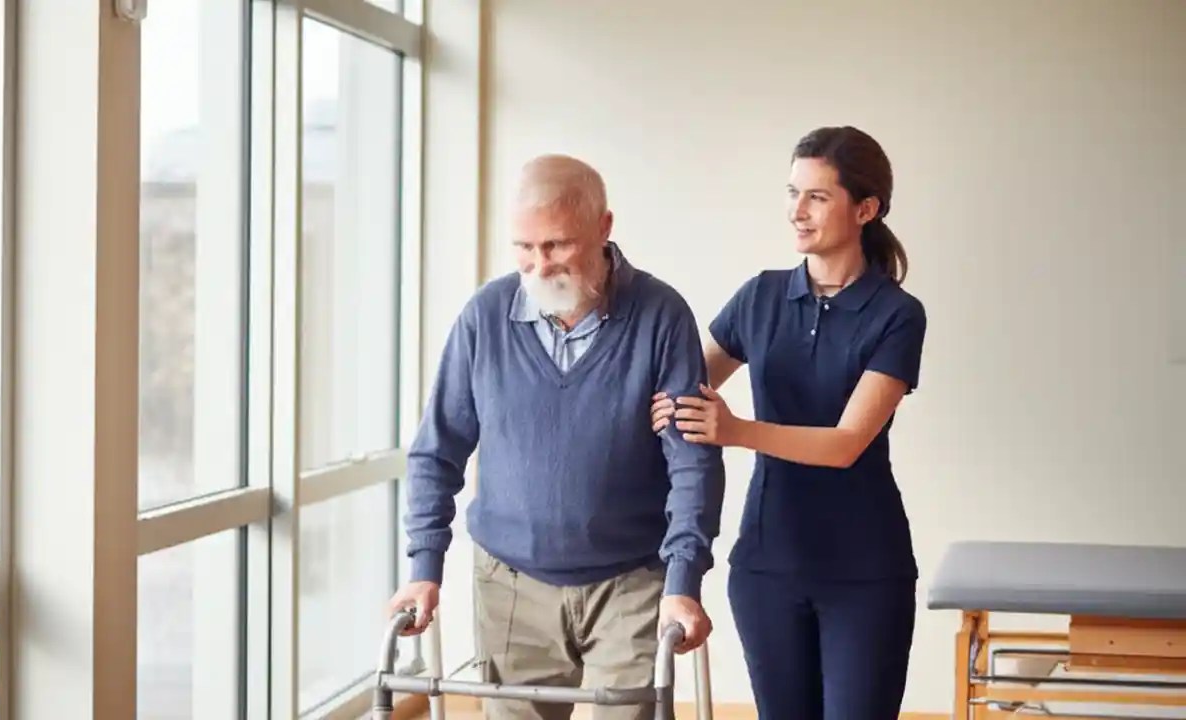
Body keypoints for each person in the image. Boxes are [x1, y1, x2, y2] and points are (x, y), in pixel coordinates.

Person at [389, 154, 727, 720]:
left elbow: (691, 460)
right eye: (524, 248)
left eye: (557, 245)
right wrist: (424, 569)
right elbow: (436, 449)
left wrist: (684, 579)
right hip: (511, 583)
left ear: (604, 227)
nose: (540, 266)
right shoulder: (485, 316)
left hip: (631, 582)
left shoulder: (660, 315)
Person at [651, 126, 927, 719]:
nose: (796, 212)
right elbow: (688, 383)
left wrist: (737, 430)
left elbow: (847, 443)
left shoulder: (897, 315)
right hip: (766, 567)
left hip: (865, 571)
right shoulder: (762, 297)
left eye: (817, 197)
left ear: (866, 208)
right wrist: (667, 406)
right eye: (791, 192)